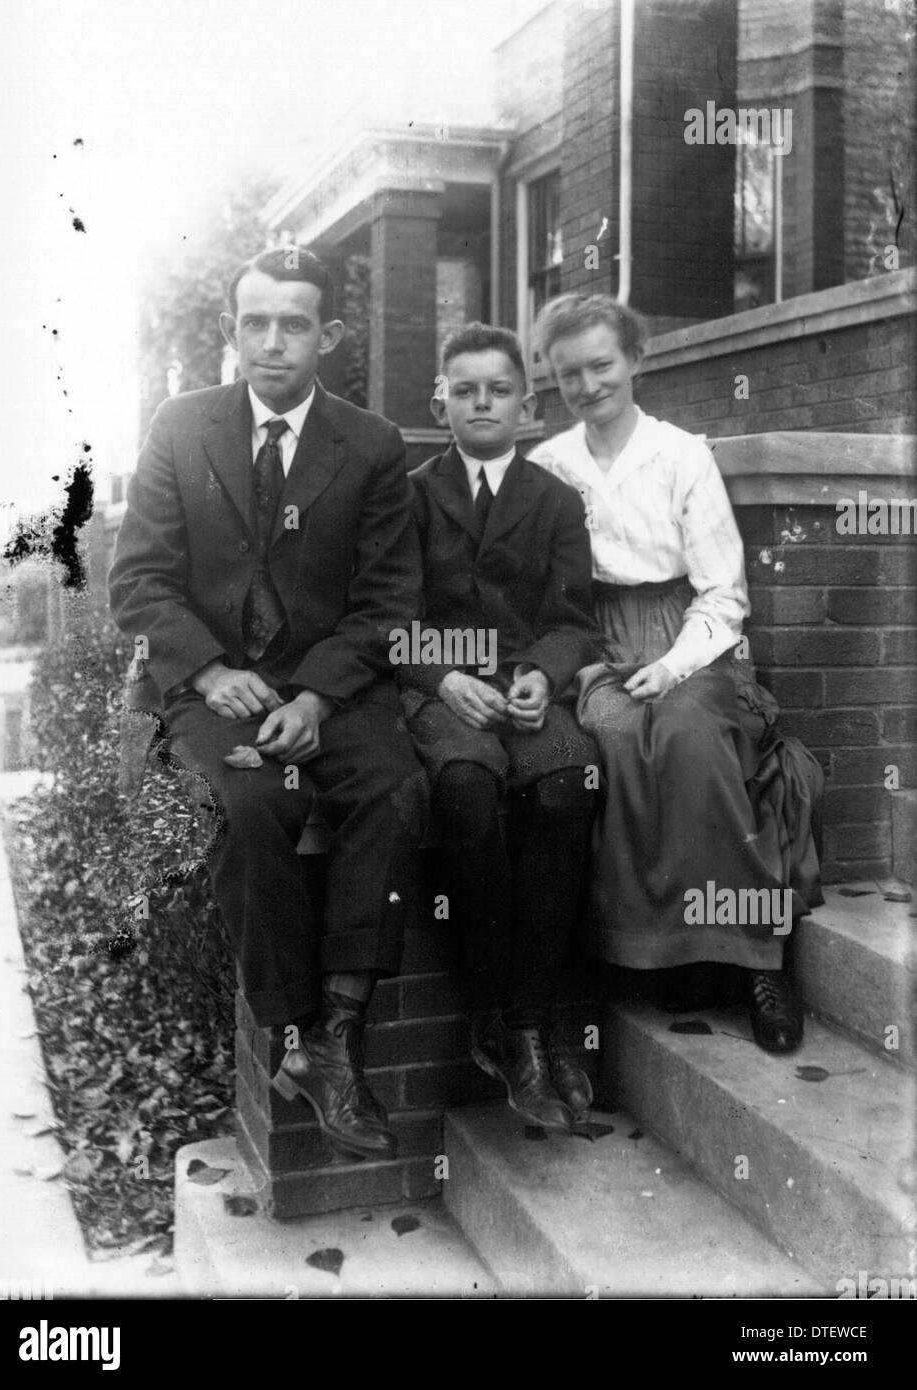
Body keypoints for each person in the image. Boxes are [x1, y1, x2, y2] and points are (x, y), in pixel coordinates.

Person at [108, 246, 428, 1162]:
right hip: (219, 688)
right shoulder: (182, 426)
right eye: (256, 323)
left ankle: (339, 1030)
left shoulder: (369, 444)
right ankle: (290, 1035)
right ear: (232, 332)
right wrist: (207, 674)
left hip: (331, 686)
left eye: (294, 324)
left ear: (326, 336)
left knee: (397, 792)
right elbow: (139, 580)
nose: (273, 342)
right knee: (253, 805)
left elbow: (387, 602)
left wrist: (323, 695)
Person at [528, 293, 824, 1054]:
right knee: (617, 740)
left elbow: (724, 592)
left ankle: (758, 961)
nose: (590, 385)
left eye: (602, 365)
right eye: (570, 375)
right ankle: (661, 955)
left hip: (689, 635)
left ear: (634, 360)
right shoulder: (548, 467)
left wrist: (671, 665)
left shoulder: (680, 453)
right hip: (597, 641)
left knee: (691, 738)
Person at [400, 322, 600, 1131]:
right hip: (441, 691)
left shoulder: (555, 500)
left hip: (523, 691)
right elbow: (383, 616)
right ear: (441, 398)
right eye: (466, 389)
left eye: (500, 389)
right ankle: (491, 1010)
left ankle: (529, 1021)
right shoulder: (410, 496)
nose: (483, 402)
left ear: (527, 401)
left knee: (566, 778)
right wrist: (443, 676)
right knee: (465, 786)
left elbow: (573, 618)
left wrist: (539, 677)